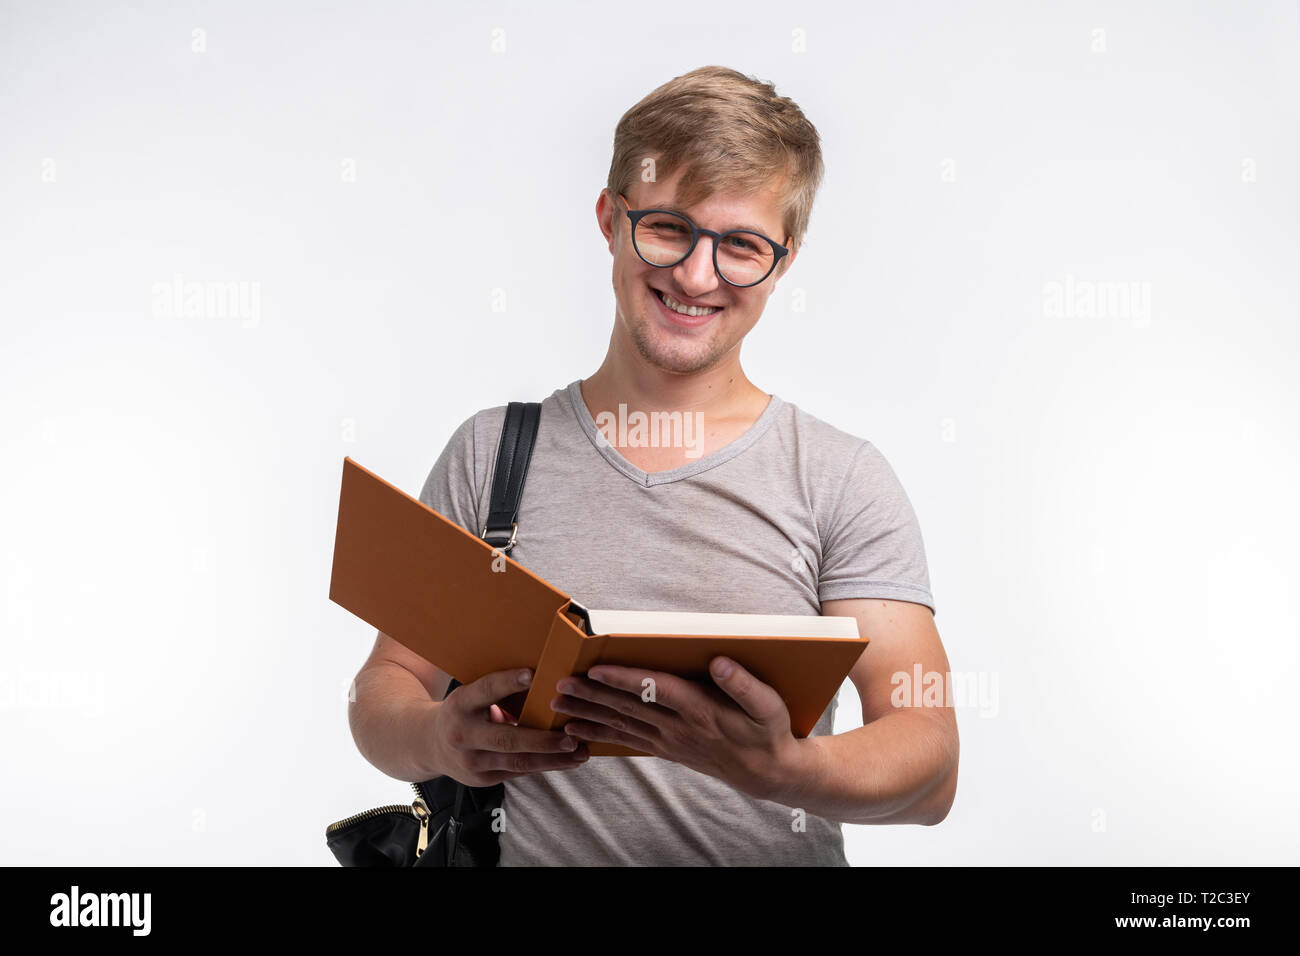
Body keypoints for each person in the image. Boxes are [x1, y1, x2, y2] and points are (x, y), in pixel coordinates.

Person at [348, 65, 958, 866]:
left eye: (741, 245)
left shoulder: (839, 477)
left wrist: (785, 768)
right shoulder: (491, 454)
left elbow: (931, 758)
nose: (697, 276)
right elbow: (380, 691)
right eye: (669, 227)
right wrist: (437, 737)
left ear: (783, 262)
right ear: (610, 217)